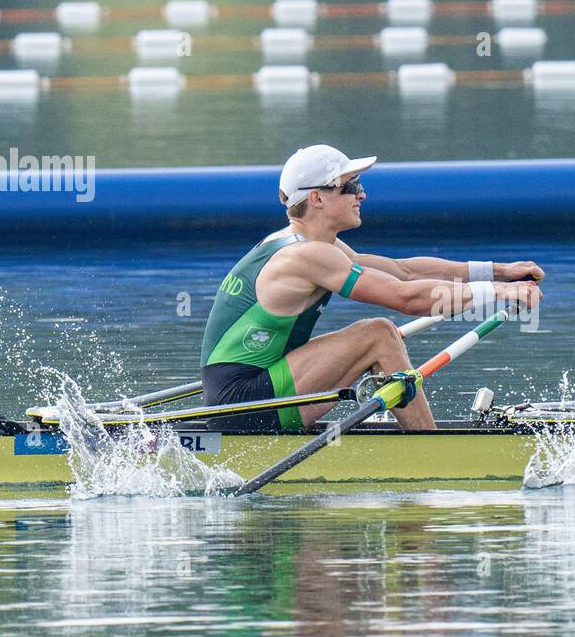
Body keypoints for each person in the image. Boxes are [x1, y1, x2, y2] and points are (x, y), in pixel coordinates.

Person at [200, 144, 543, 431]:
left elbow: (404, 272)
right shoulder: (305, 255)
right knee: (378, 334)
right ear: (317, 198)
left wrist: (499, 272)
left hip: (246, 395)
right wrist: (498, 293)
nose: (362, 193)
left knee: (380, 336)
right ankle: (431, 449)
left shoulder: (311, 245)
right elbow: (405, 298)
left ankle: (425, 439)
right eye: (350, 185)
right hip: (242, 407)